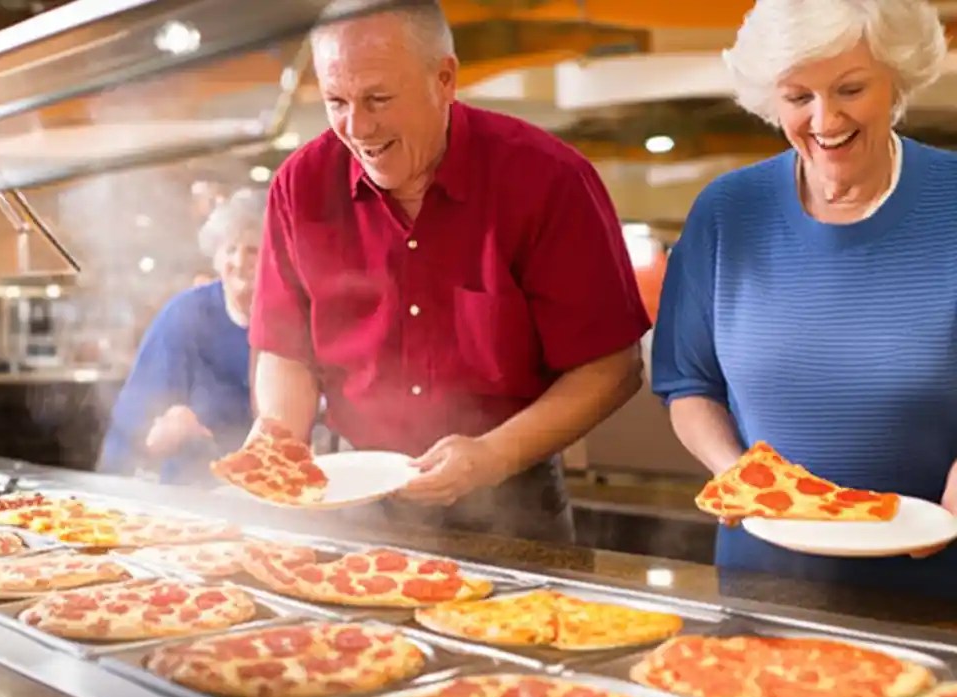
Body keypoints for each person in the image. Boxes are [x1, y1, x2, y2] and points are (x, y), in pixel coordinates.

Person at [245, 0, 650, 541]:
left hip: (510, 497)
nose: (356, 127)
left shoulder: (548, 179)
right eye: (335, 101)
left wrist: (491, 456)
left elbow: (612, 368)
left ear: (444, 78)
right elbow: (285, 351)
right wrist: (279, 441)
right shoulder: (300, 185)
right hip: (349, 495)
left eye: (378, 99)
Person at [651, 0, 957, 598]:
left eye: (850, 88)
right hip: (765, 577)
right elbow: (688, 383)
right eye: (798, 98)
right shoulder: (726, 212)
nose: (825, 119)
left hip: (936, 579)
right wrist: (736, 473)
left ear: (896, 77)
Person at [101, 189, 265, 485]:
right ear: (215, 257)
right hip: (193, 497)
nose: (240, 261)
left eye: (254, 250)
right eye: (230, 249)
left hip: (276, 495)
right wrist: (160, 432)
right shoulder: (186, 314)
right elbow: (132, 418)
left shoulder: (294, 317)